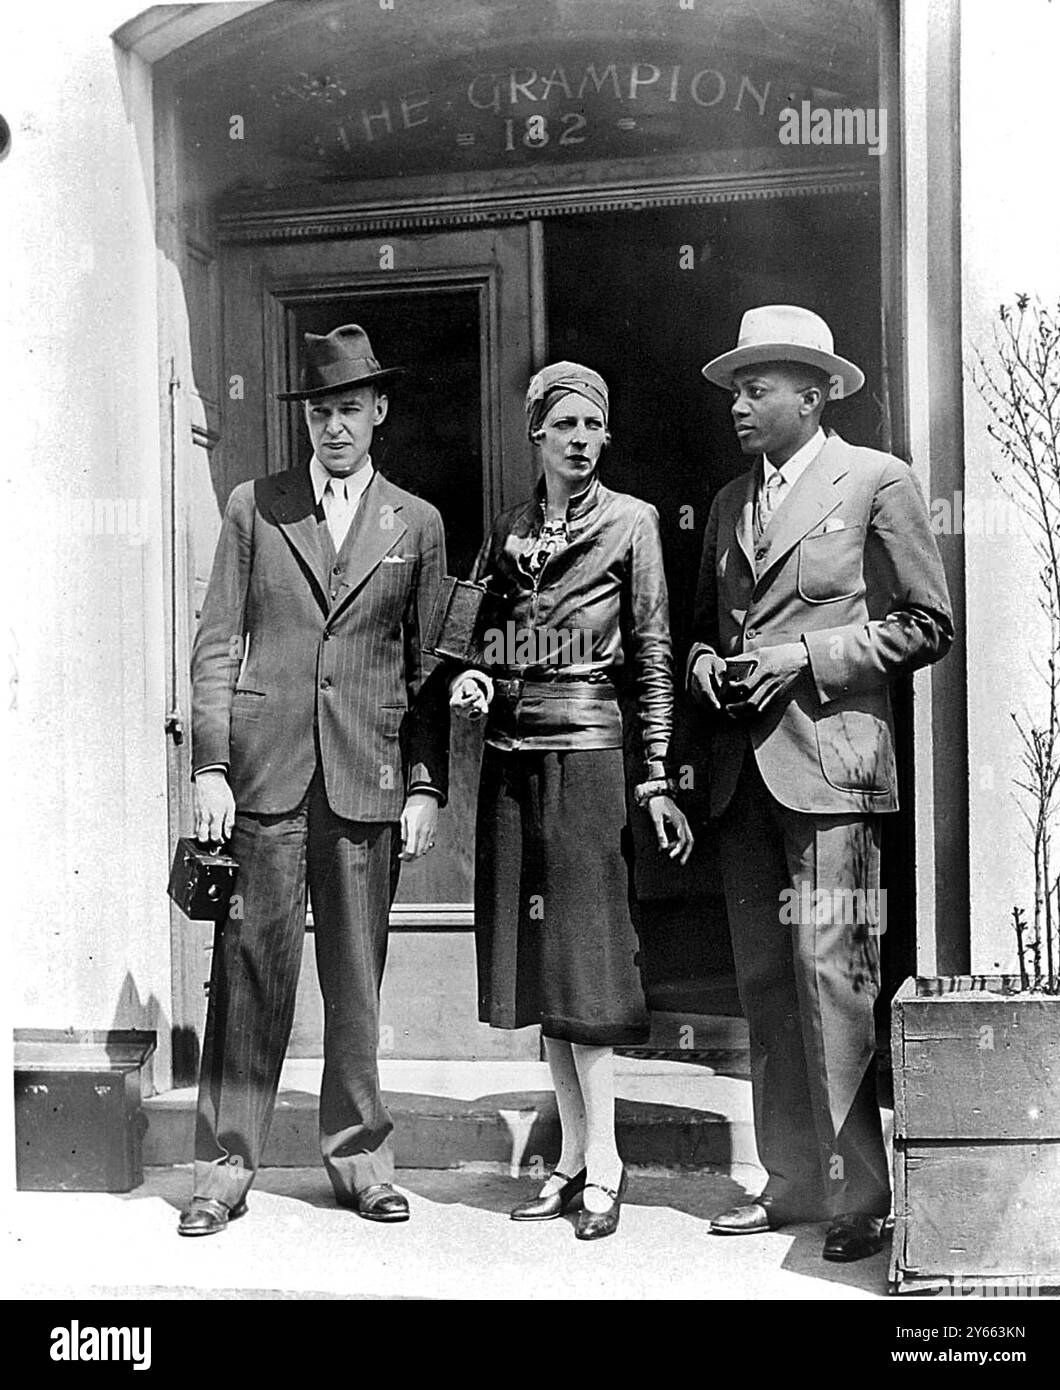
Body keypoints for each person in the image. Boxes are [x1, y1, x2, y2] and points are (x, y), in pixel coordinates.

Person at [688, 306, 953, 1262]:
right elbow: (701, 633)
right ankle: (791, 1179)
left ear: (815, 392)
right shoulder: (727, 504)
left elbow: (927, 623)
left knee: (831, 977)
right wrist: (707, 668)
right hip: (743, 780)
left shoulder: (878, 481)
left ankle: (858, 1192)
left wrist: (805, 655)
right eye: (735, 391)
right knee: (763, 980)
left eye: (758, 389)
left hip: (835, 776)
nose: (740, 406)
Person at [179, 324, 448, 1235]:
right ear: (308, 419)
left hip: (366, 775)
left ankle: (360, 1158)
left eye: (350, 409)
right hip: (264, 776)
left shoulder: (417, 523)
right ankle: (225, 1163)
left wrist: (424, 783)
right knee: (250, 971)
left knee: (356, 978)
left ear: (380, 412)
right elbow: (216, 643)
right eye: (320, 411)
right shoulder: (258, 506)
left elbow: (428, 670)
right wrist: (210, 765)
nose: (334, 427)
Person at [449, 362, 693, 1240]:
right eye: (566, 427)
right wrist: (478, 677)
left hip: (589, 756)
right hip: (514, 760)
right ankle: (568, 1161)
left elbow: (656, 652)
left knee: (585, 972)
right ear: (536, 435)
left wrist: (656, 770)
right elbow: (476, 638)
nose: (582, 441)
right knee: (540, 969)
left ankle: (608, 1165)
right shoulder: (508, 531)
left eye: (595, 426)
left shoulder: (634, 525)